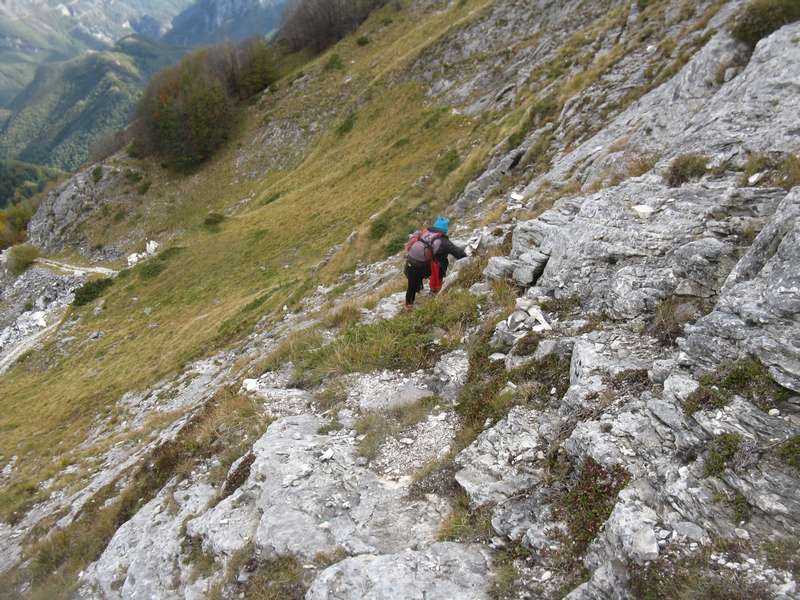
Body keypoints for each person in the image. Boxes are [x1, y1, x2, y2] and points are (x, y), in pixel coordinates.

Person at [403, 216, 466, 309]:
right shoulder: (443, 241)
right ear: (444, 230)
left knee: (411, 285)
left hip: (409, 263)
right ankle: (435, 288)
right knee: (442, 260)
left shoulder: (425, 232)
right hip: (422, 267)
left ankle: (408, 305)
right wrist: (468, 258)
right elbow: (457, 252)